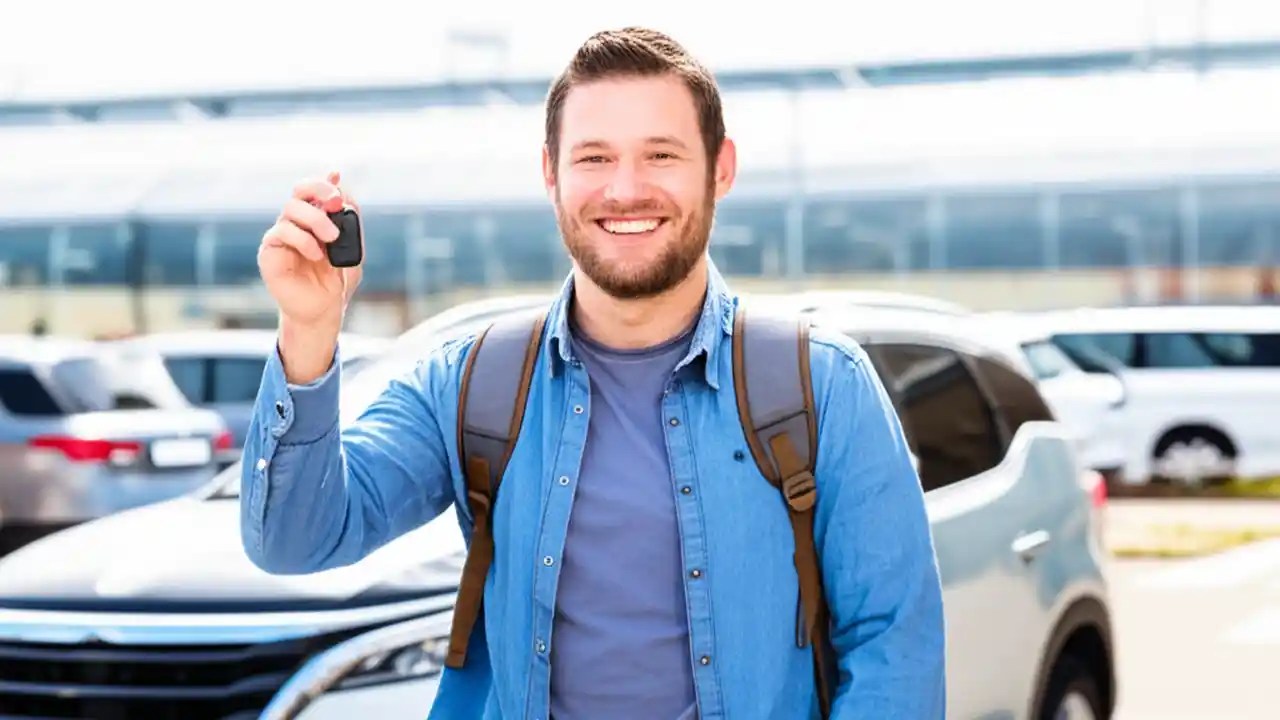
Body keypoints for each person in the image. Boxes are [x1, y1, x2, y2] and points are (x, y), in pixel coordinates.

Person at [241, 26, 945, 719]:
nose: (626, 189)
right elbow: (294, 539)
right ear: (551, 173)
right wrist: (308, 330)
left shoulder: (824, 387)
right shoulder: (472, 382)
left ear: (720, 168)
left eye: (661, 155)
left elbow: (895, 652)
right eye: (594, 157)